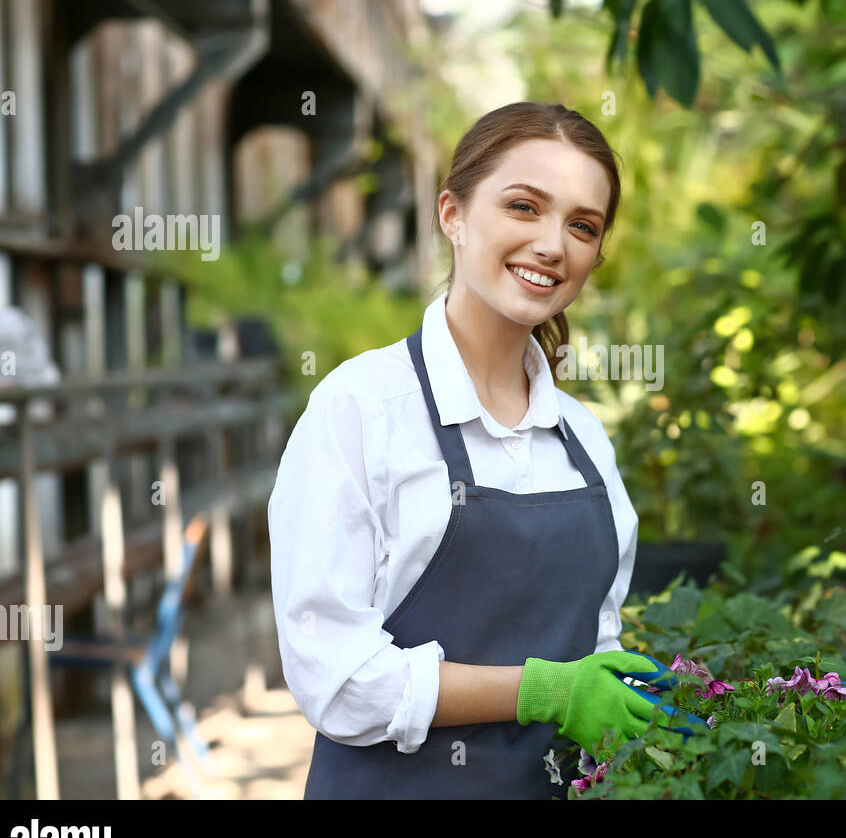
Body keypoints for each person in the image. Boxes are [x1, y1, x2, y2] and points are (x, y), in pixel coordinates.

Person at [268, 102, 704, 799]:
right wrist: (545, 691)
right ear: (453, 213)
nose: (553, 244)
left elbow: (595, 647)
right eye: (524, 207)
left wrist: (628, 699)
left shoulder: (583, 440)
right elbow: (336, 680)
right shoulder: (363, 410)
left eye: (582, 226)